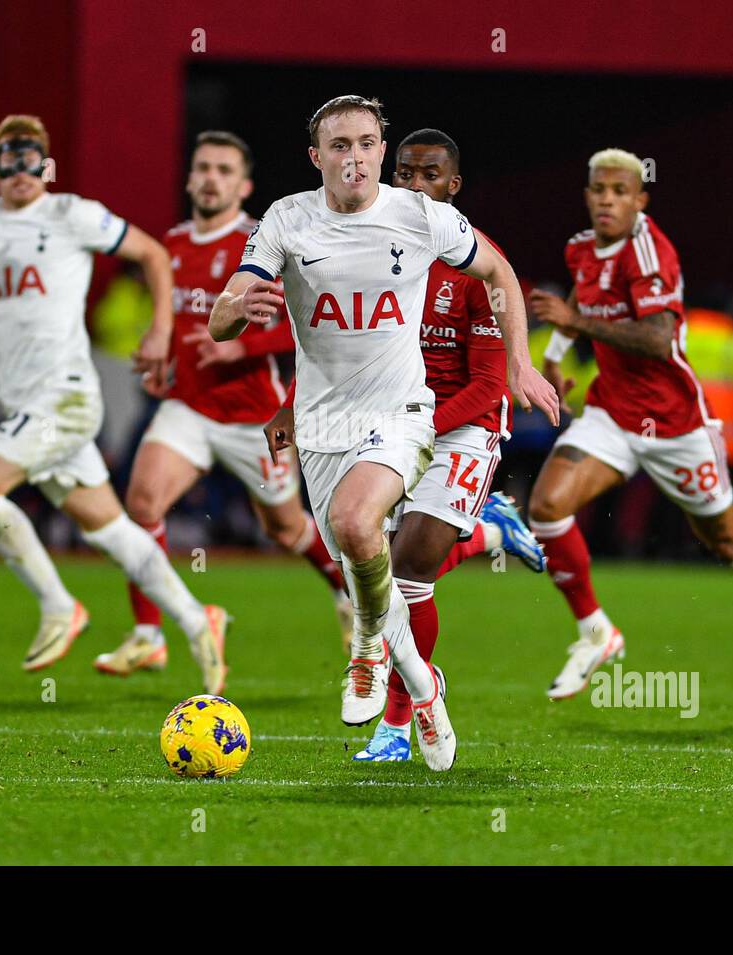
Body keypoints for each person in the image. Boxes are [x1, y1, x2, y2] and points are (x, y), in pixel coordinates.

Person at [211, 95, 559, 772]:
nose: (356, 158)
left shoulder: (422, 219)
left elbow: (501, 274)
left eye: (367, 143)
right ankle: (425, 691)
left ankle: (370, 653)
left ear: (379, 150)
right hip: (322, 426)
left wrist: (519, 357)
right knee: (369, 561)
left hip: (403, 415)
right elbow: (230, 311)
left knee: (363, 529)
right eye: (340, 145)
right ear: (318, 158)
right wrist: (234, 309)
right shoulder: (287, 218)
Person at [0, 114, 227, 684]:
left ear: (46, 166)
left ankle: (59, 605)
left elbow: (154, 255)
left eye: (31, 156)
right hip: (27, 405)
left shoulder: (72, 213)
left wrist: (160, 330)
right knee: (109, 529)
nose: (20, 169)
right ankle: (196, 617)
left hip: (66, 400)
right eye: (9, 157)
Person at [527, 148, 733, 701]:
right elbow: (580, 298)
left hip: (675, 424)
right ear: (588, 195)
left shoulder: (651, 251)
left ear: (640, 199)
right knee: (546, 507)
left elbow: (659, 337)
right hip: (612, 413)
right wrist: (555, 355)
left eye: (620, 191)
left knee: (726, 538)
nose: (608, 200)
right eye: (599, 190)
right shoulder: (581, 249)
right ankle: (595, 632)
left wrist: (576, 323)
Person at [93, 130, 354, 677]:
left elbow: (313, 325)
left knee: (284, 528)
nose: (211, 178)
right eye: (203, 167)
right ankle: (147, 634)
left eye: (224, 170)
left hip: (252, 414)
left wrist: (244, 345)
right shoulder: (170, 246)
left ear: (244, 185)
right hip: (188, 406)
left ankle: (342, 589)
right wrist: (156, 345)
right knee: (141, 504)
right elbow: (174, 321)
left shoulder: (266, 242)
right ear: (190, 178)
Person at [352, 127, 546, 762]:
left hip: (465, 425)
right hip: (396, 421)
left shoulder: (474, 264)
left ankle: (401, 719)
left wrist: (418, 428)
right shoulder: (371, 249)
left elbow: (490, 383)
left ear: (453, 185)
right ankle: (490, 531)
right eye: (403, 172)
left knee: (408, 575)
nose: (412, 185)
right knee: (373, 565)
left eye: (428, 174)